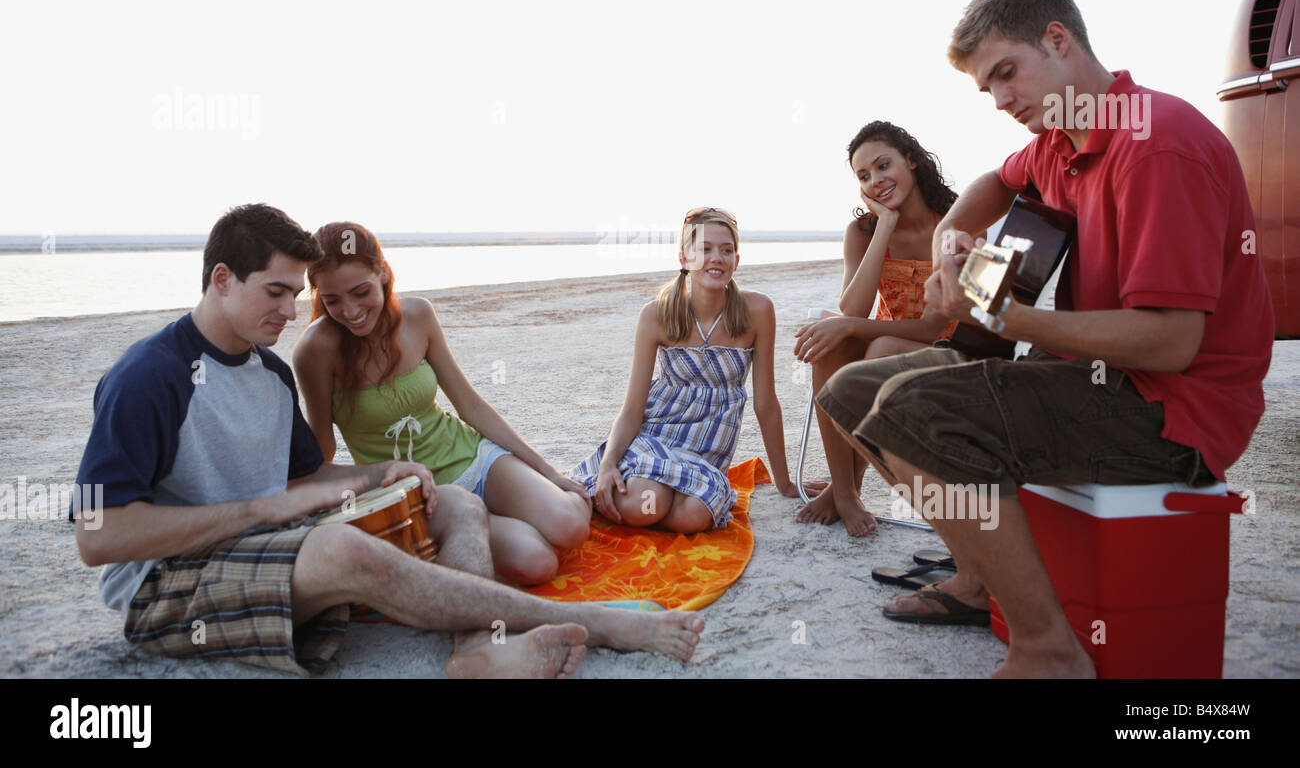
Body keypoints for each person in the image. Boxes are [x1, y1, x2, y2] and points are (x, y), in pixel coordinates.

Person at [815, 0, 1273, 678]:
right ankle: (978, 579)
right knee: (849, 390)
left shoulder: (1156, 144)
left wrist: (1007, 313)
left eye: (1007, 72)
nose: (1000, 100)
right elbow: (993, 186)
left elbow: (1171, 343)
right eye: (985, 87)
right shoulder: (1060, 138)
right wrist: (953, 248)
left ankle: (1047, 650)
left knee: (917, 408)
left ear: (1057, 40)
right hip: (1090, 380)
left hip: (1173, 412)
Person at [72, 203, 704, 679]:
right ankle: (603, 624)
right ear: (221, 279)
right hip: (171, 584)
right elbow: (98, 536)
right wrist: (263, 510)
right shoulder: (149, 377)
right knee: (344, 550)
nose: (293, 312)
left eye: (295, 295)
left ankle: (477, 651)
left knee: (458, 503)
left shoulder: (267, 376)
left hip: (258, 545)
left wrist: (379, 474)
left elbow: (303, 480)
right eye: (277, 292)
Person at [294, 222, 590, 586]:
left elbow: (470, 405)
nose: (350, 311)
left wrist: (549, 472)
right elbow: (321, 450)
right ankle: (458, 542)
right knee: (537, 563)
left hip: (472, 458)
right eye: (332, 300)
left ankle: (530, 504)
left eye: (360, 292)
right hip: (420, 495)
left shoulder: (418, 316)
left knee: (571, 525)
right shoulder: (315, 350)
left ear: (382, 274)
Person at [571, 207, 806, 531]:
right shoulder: (656, 315)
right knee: (645, 505)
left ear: (736, 261)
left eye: (726, 250)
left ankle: (663, 497)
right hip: (657, 437)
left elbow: (765, 403)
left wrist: (785, 483)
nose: (717, 258)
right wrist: (608, 465)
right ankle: (639, 483)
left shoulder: (758, 310)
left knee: (693, 517)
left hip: (708, 451)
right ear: (684, 259)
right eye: (704, 249)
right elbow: (631, 410)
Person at [792, 121, 963, 536]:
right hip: (881, 339)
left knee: (879, 344)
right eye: (864, 176)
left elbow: (934, 326)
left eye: (883, 165)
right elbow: (853, 306)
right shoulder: (863, 231)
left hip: (950, 346)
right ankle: (846, 491)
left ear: (912, 160)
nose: (876, 180)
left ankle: (844, 484)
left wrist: (851, 325)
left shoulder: (956, 219)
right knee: (826, 339)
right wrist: (884, 225)